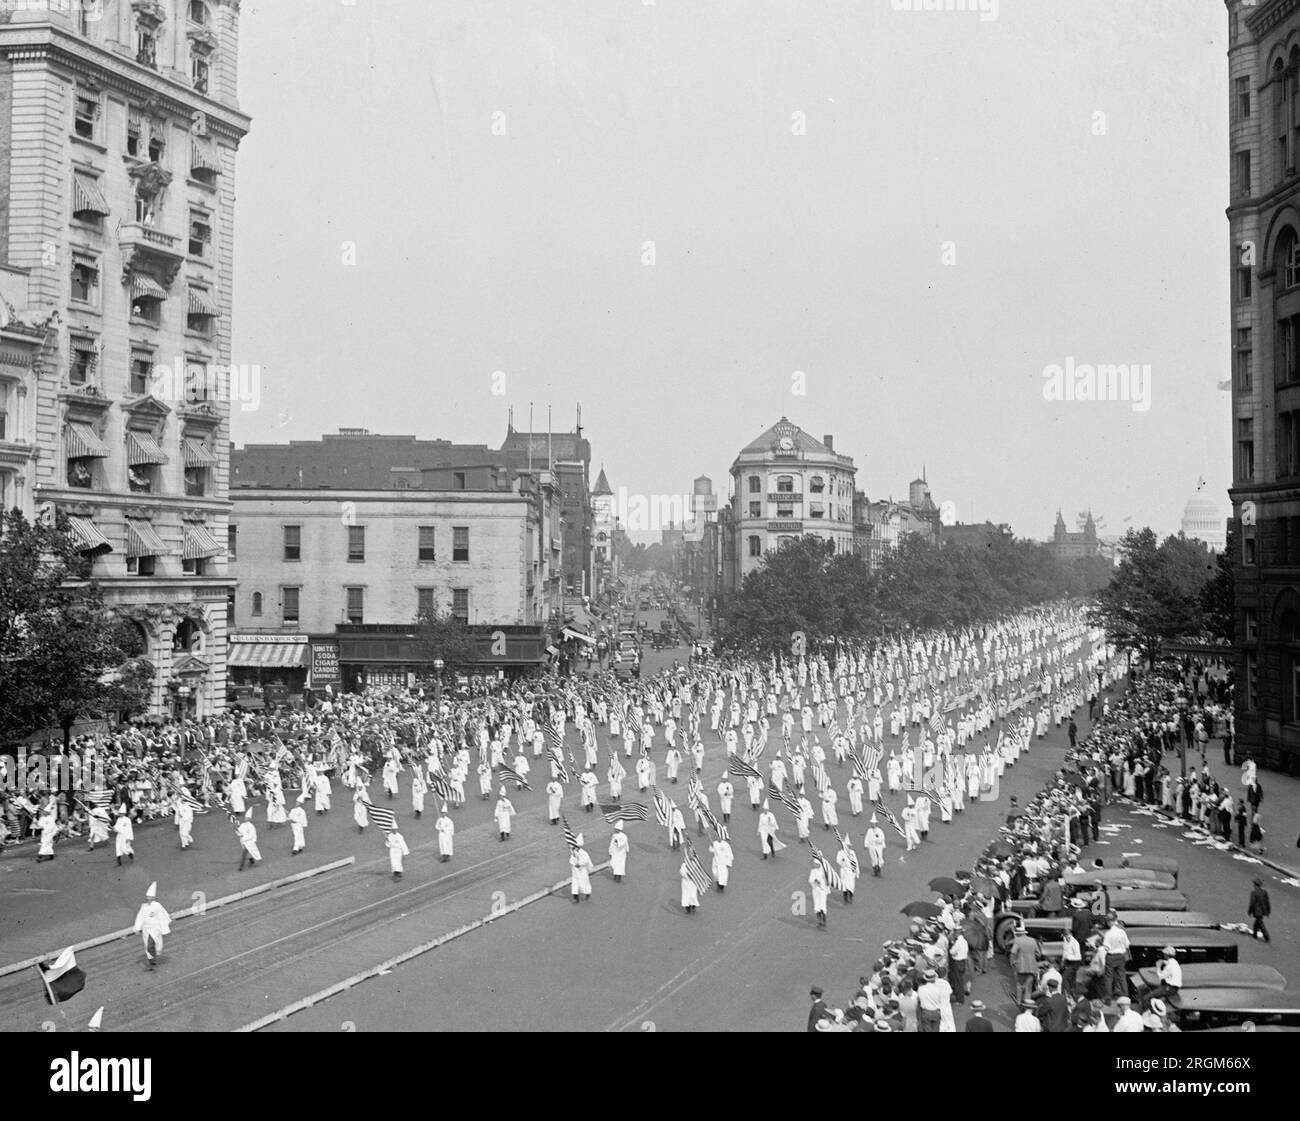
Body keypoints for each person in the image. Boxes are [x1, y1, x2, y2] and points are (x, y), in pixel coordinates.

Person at [132, 882, 171, 970]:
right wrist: (137, 928)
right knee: (148, 946)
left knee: (150, 945)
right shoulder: (144, 906)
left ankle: (152, 958)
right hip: (146, 929)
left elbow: (162, 917)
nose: (147, 898)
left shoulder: (157, 906)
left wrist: (165, 930)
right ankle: (151, 960)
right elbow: (140, 917)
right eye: (147, 896)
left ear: (153, 897)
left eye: (149, 897)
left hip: (155, 929)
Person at [1010, 924, 1039, 1007]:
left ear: (1018, 934)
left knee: (1019, 984)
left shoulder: (1018, 941)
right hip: (1032, 967)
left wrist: (1012, 962)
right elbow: (1038, 953)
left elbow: (1013, 953)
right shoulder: (1033, 940)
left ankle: (1019, 1002)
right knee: (1029, 987)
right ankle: (1027, 1003)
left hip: (1021, 966)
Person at [570, 835, 594, 902]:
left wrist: (580, 864)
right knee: (575, 884)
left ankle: (588, 893)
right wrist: (574, 863)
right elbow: (571, 860)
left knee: (584, 883)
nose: (576, 847)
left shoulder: (584, 853)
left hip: (582, 871)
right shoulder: (573, 852)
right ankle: (575, 898)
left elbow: (586, 860)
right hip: (575, 872)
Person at [1248, 877, 1271, 942]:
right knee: (1256, 923)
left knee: (1260, 924)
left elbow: (1252, 903)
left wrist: (1249, 912)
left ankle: (1267, 936)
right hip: (1263, 910)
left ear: (1255, 885)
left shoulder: (1253, 892)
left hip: (1257, 911)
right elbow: (1267, 902)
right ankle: (1254, 934)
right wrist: (1268, 911)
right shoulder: (1264, 892)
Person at [808, 860, 829, 928]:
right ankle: (820, 921)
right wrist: (815, 881)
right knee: (817, 906)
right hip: (816, 890)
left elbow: (827, 881)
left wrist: (826, 888)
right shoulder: (813, 871)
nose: (815, 865)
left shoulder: (824, 871)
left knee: (823, 905)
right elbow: (810, 880)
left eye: (817, 864)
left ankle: (824, 920)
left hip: (823, 890)